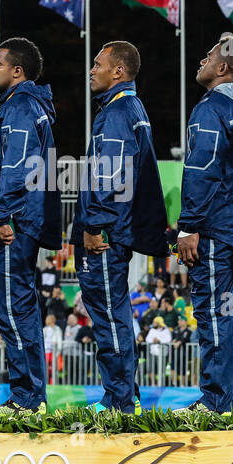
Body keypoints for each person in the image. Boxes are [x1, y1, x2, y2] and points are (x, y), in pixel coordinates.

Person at [174, 35, 233, 414]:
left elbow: (202, 168)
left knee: (215, 312)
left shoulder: (214, 107)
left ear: (224, 68)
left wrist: (188, 225)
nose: (202, 59)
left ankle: (216, 402)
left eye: (210, 55)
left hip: (213, 230)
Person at [72, 40, 168, 414]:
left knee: (109, 316)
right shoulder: (131, 108)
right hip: (117, 229)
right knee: (114, 315)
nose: (92, 70)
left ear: (119, 71)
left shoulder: (117, 112)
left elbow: (109, 175)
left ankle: (120, 402)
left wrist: (94, 222)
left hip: (106, 234)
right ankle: (125, 396)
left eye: (98, 63)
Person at [0, 36, 62, 412]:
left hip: (12, 224)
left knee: (13, 309)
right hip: (18, 219)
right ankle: (29, 397)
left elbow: (16, 166)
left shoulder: (22, 106)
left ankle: (27, 399)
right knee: (18, 309)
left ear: (17, 70)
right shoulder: (21, 105)